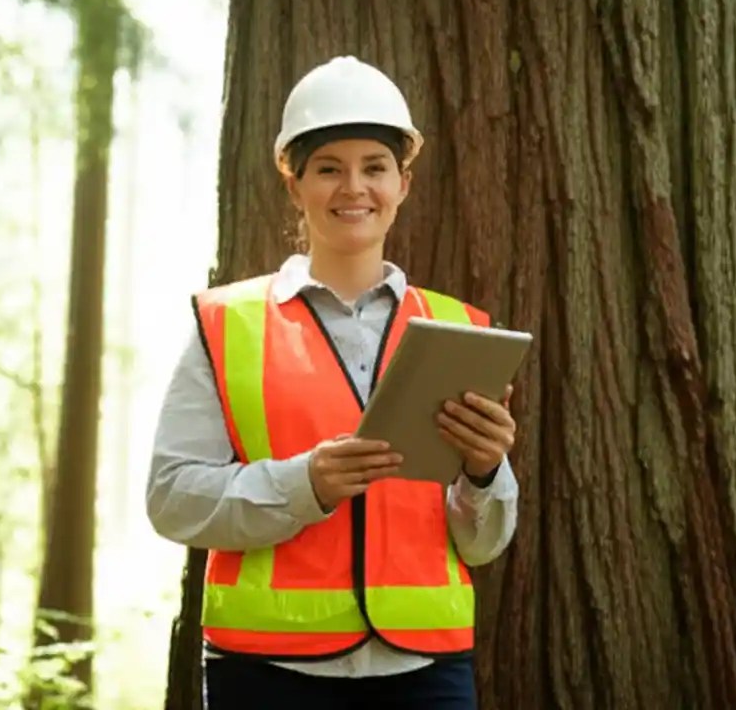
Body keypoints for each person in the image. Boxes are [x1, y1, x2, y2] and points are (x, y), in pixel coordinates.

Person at [146, 55, 520, 710]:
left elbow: (480, 543)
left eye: (374, 167)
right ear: (294, 184)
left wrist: (487, 472)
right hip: (263, 673)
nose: (354, 187)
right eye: (328, 168)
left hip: (427, 674)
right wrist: (302, 485)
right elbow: (171, 499)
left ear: (403, 182)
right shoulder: (225, 324)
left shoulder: (462, 329)